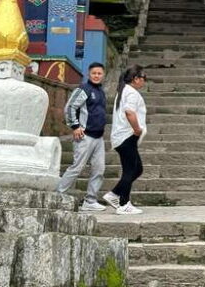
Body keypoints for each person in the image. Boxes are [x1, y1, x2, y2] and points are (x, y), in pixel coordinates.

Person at [56, 62, 108, 212]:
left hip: (98, 138)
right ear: (88, 74)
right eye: (94, 73)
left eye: (99, 73)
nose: (97, 76)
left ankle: (90, 200)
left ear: (103, 75)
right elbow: (70, 107)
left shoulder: (101, 92)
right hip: (85, 136)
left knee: (99, 169)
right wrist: (75, 126)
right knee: (76, 167)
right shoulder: (83, 89)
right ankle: (58, 195)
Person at [103, 65, 148, 215]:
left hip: (122, 137)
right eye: (143, 78)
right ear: (136, 79)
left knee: (137, 169)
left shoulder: (124, 91)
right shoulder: (132, 93)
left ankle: (116, 195)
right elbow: (129, 112)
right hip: (127, 136)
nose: (144, 81)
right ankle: (123, 203)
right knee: (130, 170)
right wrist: (137, 129)